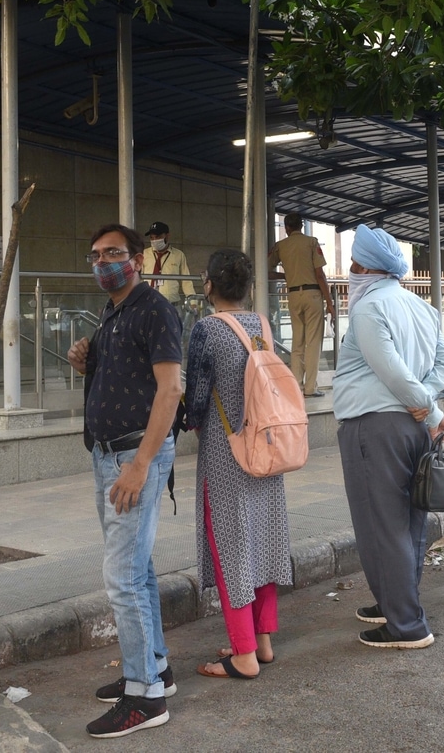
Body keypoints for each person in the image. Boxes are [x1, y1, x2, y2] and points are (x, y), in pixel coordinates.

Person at [65, 224, 183, 738]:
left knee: (123, 577)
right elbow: (124, 376)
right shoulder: (115, 311)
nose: (102, 262)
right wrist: (85, 363)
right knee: (140, 568)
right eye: (95, 254)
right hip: (108, 454)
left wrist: (140, 465)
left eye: (113, 253)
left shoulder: (154, 309)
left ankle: (144, 696)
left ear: (137, 258)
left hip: (135, 456)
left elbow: (170, 389)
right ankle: (155, 666)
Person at [333, 225, 444, 649]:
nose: (349, 271)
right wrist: (429, 407)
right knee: (408, 522)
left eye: (351, 263)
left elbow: (391, 371)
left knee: (381, 525)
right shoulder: (420, 306)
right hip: (411, 427)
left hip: (374, 426)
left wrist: (429, 407)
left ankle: (406, 624)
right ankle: (397, 602)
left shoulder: (368, 309)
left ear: (364, 267)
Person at [184, 250, 295, 680]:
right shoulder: (262, 325)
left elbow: (195, 405)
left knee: (230, 544)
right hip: (265, 451)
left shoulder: (207, 330)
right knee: (261, 540)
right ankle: (262, 640)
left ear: (209, 285)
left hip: (226, 452)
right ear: (248, 288)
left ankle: (244, 654)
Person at [268, 213, 334, 397]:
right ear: (302, 226)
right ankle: (311, 387)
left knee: (297, 342)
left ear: (286, 228)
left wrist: (286, 276)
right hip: (312, 295)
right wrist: (329, 302)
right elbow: (319, 274)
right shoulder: (312, 242)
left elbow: (266, 271)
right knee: (313, 342)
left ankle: (296, 385)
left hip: (293, 295)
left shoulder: (280, 246)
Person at [143, 221, 195, 305]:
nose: (154, 240)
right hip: (148, 302)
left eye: (158, 237)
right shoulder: (144, 254)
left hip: (171, 303)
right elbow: (138, 279)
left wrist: (193, 301)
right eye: (152, 238)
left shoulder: (178, 255)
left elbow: (186, 280)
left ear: (167, 236)